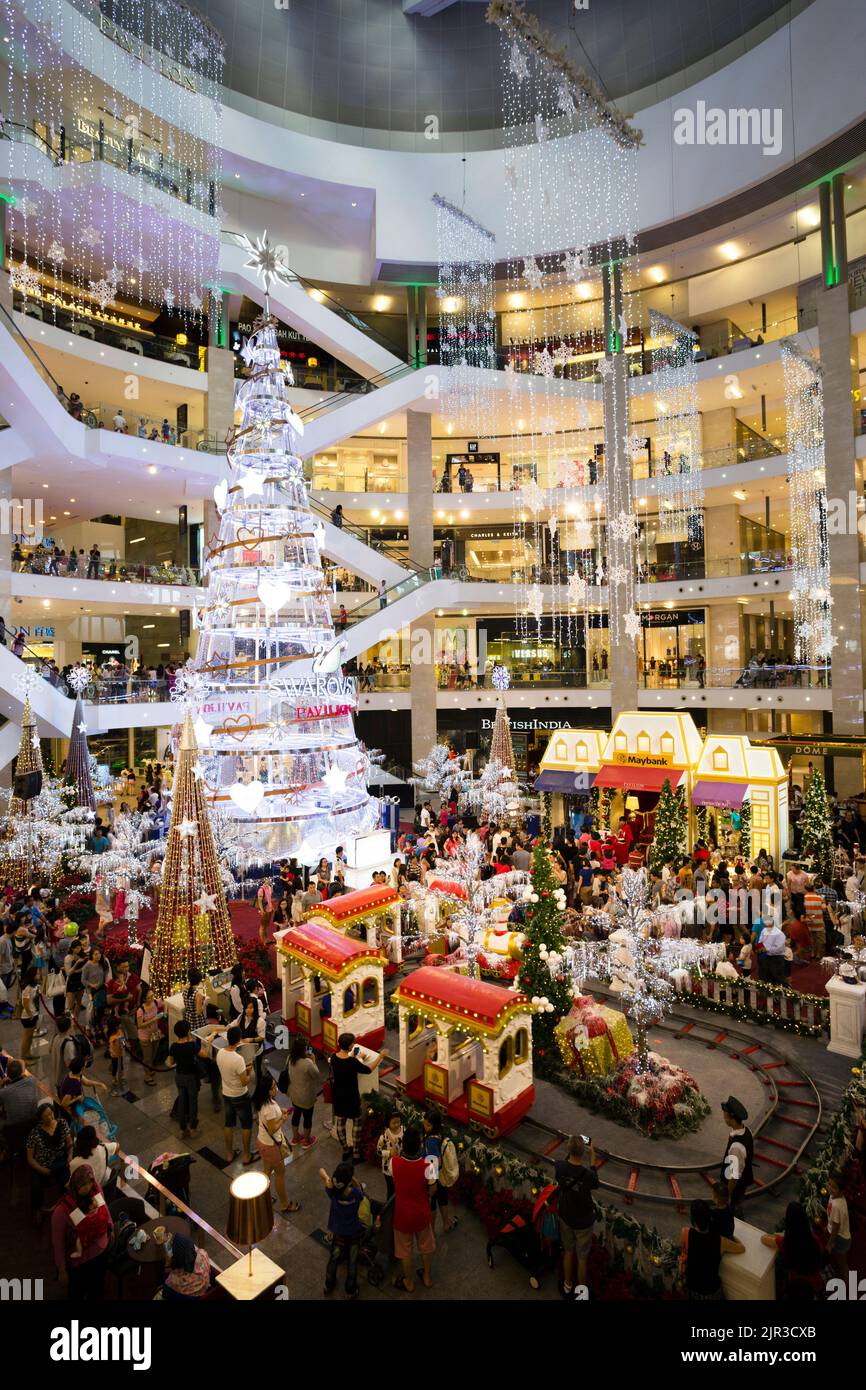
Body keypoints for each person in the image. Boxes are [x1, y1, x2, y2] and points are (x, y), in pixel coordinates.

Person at [51, 1162, 113, 1299]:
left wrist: (110, 1228)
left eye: (90, 1182)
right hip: (79, 1261)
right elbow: (58, 1242)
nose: (88, 1187)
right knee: (76, 1292)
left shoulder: (96, 1191)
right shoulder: (62, 1210)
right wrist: (61, 1270)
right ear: (75, 1185)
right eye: (83, 1184)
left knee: (97, 1288)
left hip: (100, 1252)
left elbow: (106, 1211)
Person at [391, 1126, 437, 1292]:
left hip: (402, 1215)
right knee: (426, 1245)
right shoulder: (428, 1165)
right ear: (420, 1145)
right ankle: (427, 1277)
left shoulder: (394, 1162)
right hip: (422, 1213)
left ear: (404, 1145)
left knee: (405, 1251)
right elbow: (433, 1189)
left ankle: (408, 1282)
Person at [555, 1135, 600, 1298]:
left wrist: (573, 1151)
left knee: (568, 1251)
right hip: (583, 1221)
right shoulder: (587, 1175)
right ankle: (581, 1293)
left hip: (566, 1216)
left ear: (568, 1150)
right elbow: (595, 1181)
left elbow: (566, 1167)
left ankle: (567, 1284)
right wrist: (592, 1158)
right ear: (583, 1153)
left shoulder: (559, 1167)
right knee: (582, 1258)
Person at [330, 1032, 384, 1161]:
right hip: (351, 1096)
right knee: (357, 1124)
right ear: (349, 1046)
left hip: (338, 1096)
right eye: (353, 1043)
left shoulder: (333, 1057)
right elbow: (368, 1069)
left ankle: (344, 1149)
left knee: (340, 1124)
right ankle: (355, 1153)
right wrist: (380, 1056)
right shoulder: (352, 1062)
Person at [319, 1159, 366, 1298]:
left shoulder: (332, 1192)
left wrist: (328, 1179)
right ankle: (350, 1289)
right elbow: (361, 1191)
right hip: (353, 1233)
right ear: (349, 1180)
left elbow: (321, 1170)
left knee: (334, 1257)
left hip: (338, 1232)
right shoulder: (355, 1194)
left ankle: (329, 1283)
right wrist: (353, 1179)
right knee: (352, 1261)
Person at [254, 1075, 300, 1216]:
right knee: (279, 1175)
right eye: (273, 1087)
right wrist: (284, 1119)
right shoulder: (269, 1108)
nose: (277, 1089)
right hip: (272, 1147)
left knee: (267, 1171)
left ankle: (260, 1196)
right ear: (267, 1090)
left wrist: (281, 1111)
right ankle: (285, 1204)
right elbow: (273, 1128)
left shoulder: (262, 1102)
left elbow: (267, 1119)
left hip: (262, 1142)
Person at [681, 1199, 745, 1299]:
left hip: (692, 1289)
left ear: (693, 1219)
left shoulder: (685, 1232)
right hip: (711, 1292)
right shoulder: (720, 1241)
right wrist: (734, 1237)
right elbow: (741, 1249)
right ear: (709, 1217)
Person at [760, 1202, 823, 1298]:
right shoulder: (815, 1240)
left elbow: (763, 1238)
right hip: (813, 1285)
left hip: (795, 1285)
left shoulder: (786, 1242)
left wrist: (780, 1235)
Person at [27, 1100, 73, 1220]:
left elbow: (69, 1144)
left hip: (61, 1160)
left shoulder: (62, 1123)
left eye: (51, 1113)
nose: (50, 1116)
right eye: (46, 1115)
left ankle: (66, 1205)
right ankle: (37, 1210)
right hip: (44, 1164)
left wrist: (69, 1156)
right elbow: (30, 1158)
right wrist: (42, 1169)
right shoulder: (35, 1133)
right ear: (41, 1119)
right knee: (36, 1186)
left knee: (67, 1181)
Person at [218, 1025, 255, 1164]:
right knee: (246, 1125)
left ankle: (229, 1154)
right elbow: (244, 1081)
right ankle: (246, 1156)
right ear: (239, 1040)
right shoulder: (238, 1059)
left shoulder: (220, 1053)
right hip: (240, 1095)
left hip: (226, 1093)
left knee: (229, 1124)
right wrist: (249, 1071)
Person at [166, 1019, 209, 1138]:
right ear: (187, 1032)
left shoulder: (173, 1046)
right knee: (193, 1103)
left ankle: (183, 1129)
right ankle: (193, 1129)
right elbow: (204, 1054)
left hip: (179, 1076)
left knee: (182, 1101)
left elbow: (170, 1062)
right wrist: (208, 1044)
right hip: (191, 1078)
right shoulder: (191, 1045)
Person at [422, 1110, 458, 1233]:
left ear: (434, 1126)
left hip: (434, 1178)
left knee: (432, 1205)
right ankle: (446, 1223)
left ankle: (431, 1231)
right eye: (425, 1123)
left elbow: (433, 1160)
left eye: (428, 1125)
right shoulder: (440, 1134)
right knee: (443, 1200)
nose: (425, 1127)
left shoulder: (431, 1140)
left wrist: (431, 1182)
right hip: (442, 1176)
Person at [720, 1096, 754, 1209]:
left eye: (725, 1113)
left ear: (731, 1118)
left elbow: (734, 1175)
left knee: (732, 1209)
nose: (723, 1115)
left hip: (735, 1188)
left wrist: (728, 1195)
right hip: (743, 1180)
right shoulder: (746, 1130)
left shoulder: (736, 1147)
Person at [287, 1034, 319, 1148]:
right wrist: (314, 1060)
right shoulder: (307, 1063)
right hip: (306, 1096)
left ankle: (295, 1138)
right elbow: (316, 1075)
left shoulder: (290, 1058)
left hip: (294, 1094)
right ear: (303, 1049)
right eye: (306, 1048)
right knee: (307, 1118)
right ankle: (307, 1140)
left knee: (296, 1115)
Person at [69, 1124, 118, 1195]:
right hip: (104, 1184)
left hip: (90, 1193)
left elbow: (74, 1183)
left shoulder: (74, 1163)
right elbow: (117, 1146)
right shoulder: (104, 1148)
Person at [0, 1057, 39, 1132]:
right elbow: (22, 1064)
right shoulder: (32, 1080)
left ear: (8, 1075)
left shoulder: (4, 1092)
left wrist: (1, 1084)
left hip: (14, 1128)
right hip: (33, 1122)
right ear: (22, 1073)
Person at [136, 983, 162, 1086]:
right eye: (149, 997)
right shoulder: (140, 1010)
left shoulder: (155, 1003)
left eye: (152, 996)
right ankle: (147, 1076)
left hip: (155, 1034)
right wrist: (154, 1019)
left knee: (153, 1054)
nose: (152, 998)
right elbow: (140, 1025)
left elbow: (164, 1003)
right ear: (144, 999)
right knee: (147, 1058)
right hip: (145, 1036)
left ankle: (150, 1069)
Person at [826, 1172, 851, 1277]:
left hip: (840, 1238)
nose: (830, 1188)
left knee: (842, 1263)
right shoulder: (834, 1196)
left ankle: (847, 1282)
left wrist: (830, 1244)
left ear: (841, 1191)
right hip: (839, 1236)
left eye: (834, 1187)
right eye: (829, 1184)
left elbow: (836, 1227)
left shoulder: (837, 1205)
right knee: (839, 1261)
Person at [376, 1110, 404, 1201]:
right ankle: (389, 1207)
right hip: (388, 1167)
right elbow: (378, 1151)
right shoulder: (384, 1136)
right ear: (388, 1123)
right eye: (394, 1123)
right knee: (391, 1189)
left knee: (400, 1188)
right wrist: (388, 1153)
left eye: (398, 1122)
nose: (396, 1125)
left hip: (401, 1165)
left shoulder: (403, 1130)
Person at [18, 964, 39, 1061]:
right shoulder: (27, 987)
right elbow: (25, 1003)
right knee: (26, 1038)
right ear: (32, 975)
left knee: (30, 1037)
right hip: (27, 1016)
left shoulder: (35, 985)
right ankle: (23, 1059)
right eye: (37, 974)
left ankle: (28, 1053)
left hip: (34, 1014)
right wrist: (30, 1015)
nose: (39, 975)